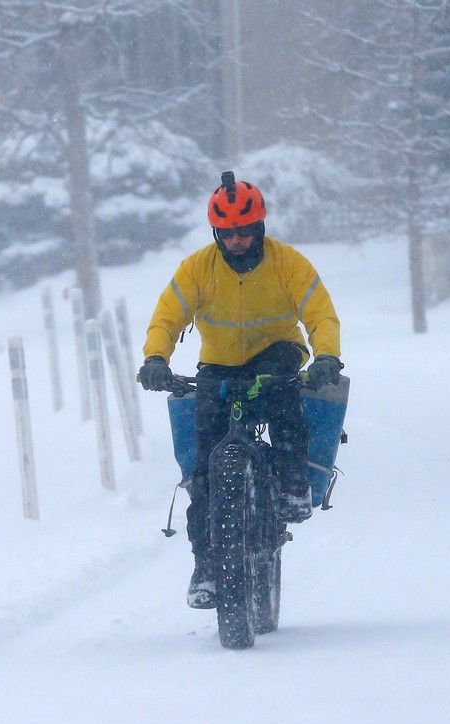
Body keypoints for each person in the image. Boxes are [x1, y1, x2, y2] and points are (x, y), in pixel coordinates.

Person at [138, 171, 343, 609]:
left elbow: (320, 314)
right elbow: (167, 316)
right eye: (227, 233)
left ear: (260, 227)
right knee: (205, 474)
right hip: (219, 365)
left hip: (277, 354)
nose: (236, 240)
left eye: (245, 231)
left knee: (285, 401)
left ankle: (292, 484)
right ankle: (207, 568)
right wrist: (156, 358)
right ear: (216, 232)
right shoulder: (197, 268)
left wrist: (326, 355)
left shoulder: (288, 263)